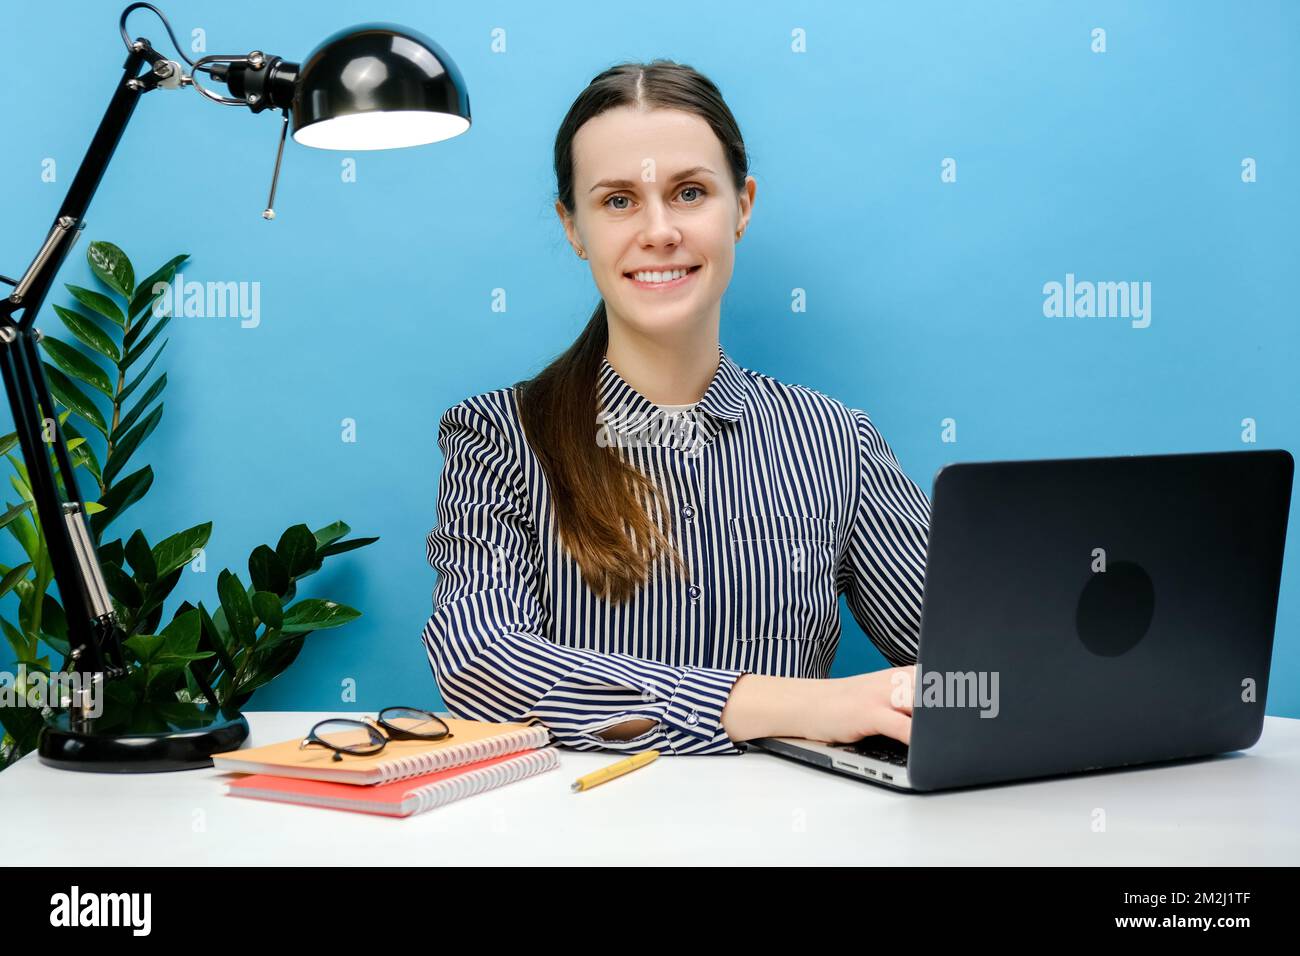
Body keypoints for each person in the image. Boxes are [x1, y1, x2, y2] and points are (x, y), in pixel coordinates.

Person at [422, 60, 929, 756]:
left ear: (742, 207)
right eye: (619, 201)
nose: (659, 231)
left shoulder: (839, 441)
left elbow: (967, 661)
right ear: (573, 227)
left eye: (689, 192)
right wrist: (789, 704)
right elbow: (482, 663)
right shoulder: (497, 438)